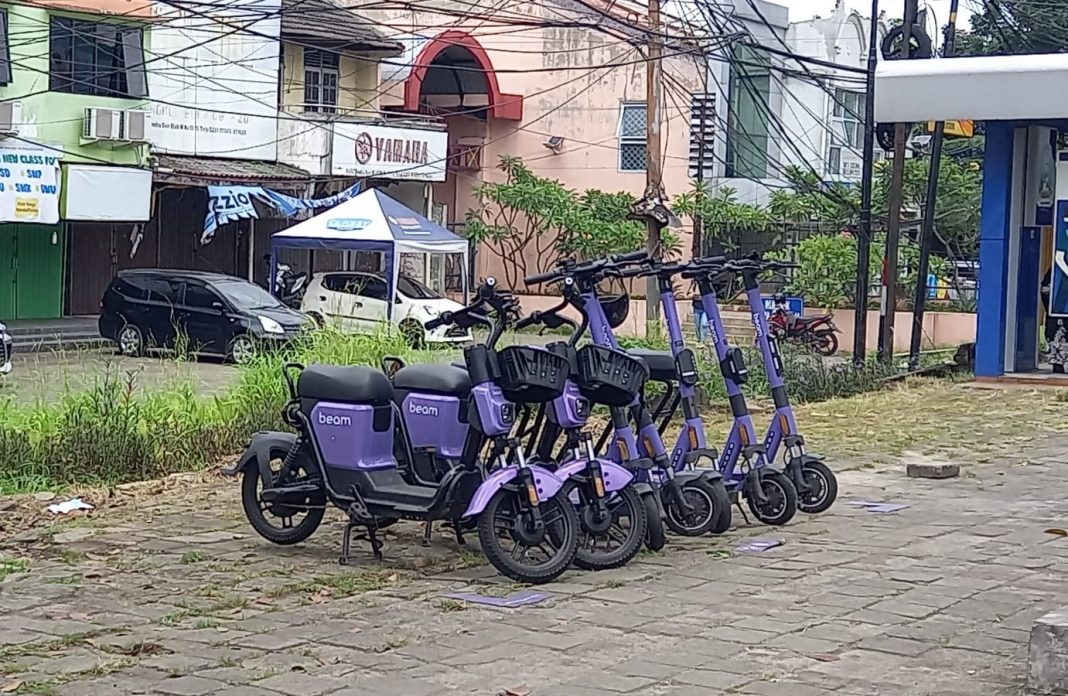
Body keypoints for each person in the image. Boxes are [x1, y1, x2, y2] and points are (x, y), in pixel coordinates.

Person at [1040, 269, 1068, 373]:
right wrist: (1052, 309)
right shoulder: (1057, 270)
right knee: (1057, 340)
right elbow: (1045, 290)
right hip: (1058, 316)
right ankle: (1058, 365)